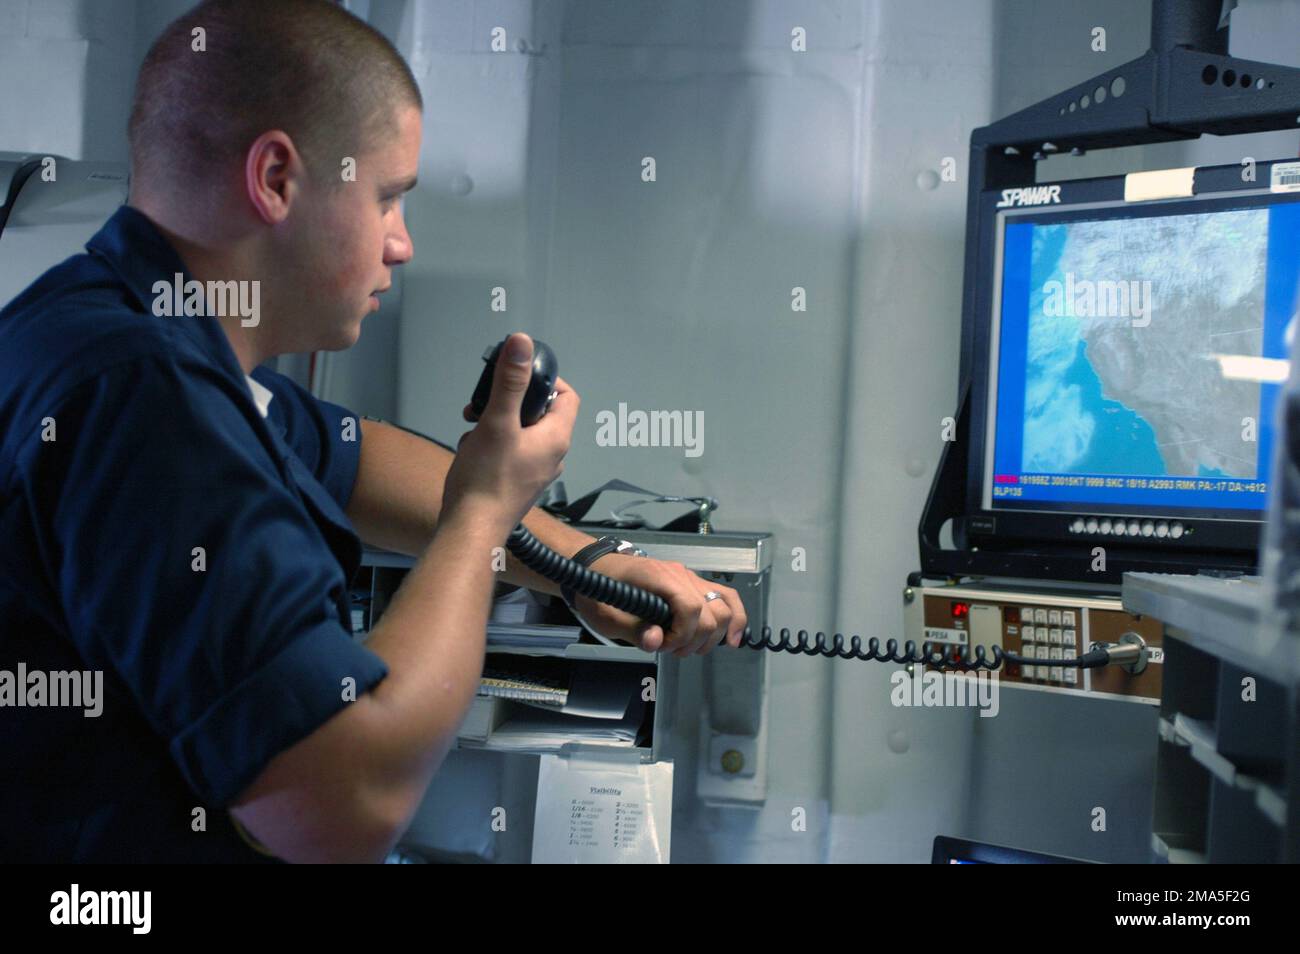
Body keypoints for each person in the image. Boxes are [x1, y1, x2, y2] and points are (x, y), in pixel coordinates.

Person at [0, 0, 746, 863]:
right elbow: (344, 807)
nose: (402, 244)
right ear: (276, 178)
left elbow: (353, 458)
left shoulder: (112, 325)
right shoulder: (150, 399)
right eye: (388, 199)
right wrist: (481, 511)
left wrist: (584, 565)